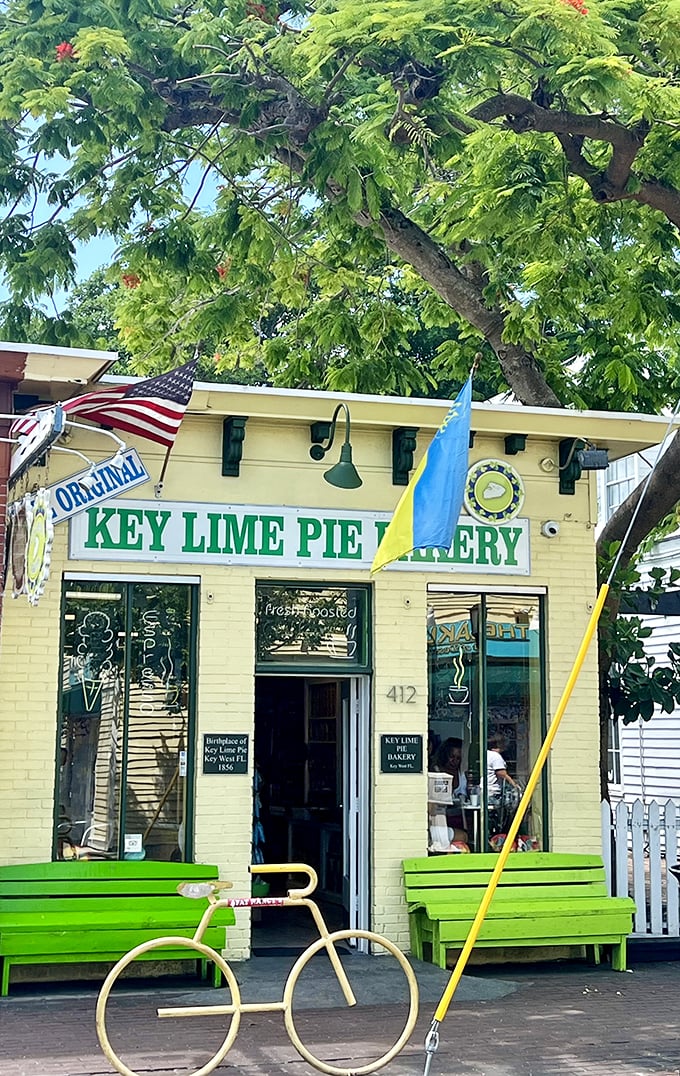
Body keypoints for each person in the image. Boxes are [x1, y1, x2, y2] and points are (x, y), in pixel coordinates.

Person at [487, 734, 518, 798]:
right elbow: (501, 773)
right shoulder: (495, 756)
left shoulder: (486, 754)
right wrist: (514, 785)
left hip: (486, 790)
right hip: (493, 791)